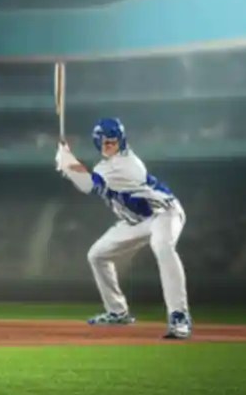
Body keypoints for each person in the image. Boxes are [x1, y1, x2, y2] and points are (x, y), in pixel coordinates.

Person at [54, 118, 192, 340]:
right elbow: (88, 179)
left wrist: (66, 161)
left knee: (162, 247)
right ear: (98, 144)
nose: (111, 146)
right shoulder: (106, 166)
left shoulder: (126, 164)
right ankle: (118, 311)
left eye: (114, 142)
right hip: (135, 222)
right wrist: (68, 161)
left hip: (164, 214)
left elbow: (87, 184)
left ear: (122, 141)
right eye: (106, 143)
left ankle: (179, 316)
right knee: (97, 255)